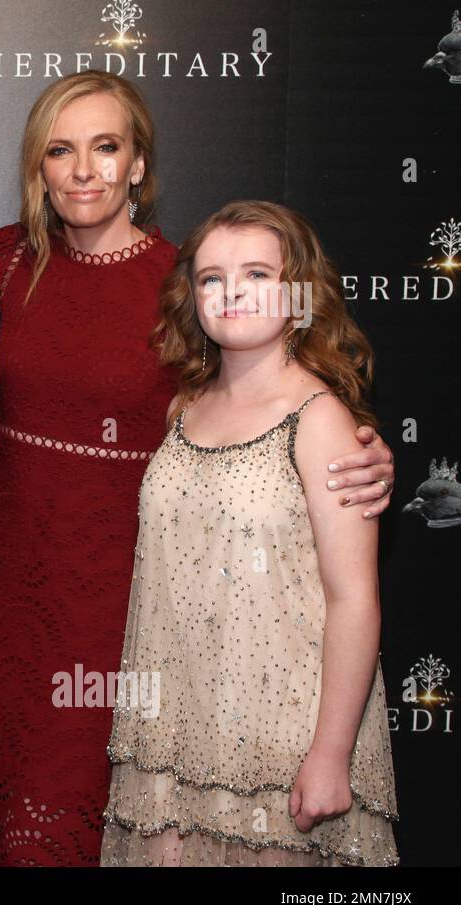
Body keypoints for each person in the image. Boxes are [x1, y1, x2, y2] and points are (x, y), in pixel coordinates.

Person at [0, 71, 397, 865]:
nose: (82, 170)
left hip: (125, 595)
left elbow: (260, 394)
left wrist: (357, 447)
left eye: (105, 148)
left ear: (138, 165)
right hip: (5, 581)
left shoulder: (185, 282)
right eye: (60, 151)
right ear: (38, 169)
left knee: (84, 792)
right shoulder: (9, 262)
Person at [100, 200, 398, 866]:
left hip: (281, 739)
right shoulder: (186, 405)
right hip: (175, 731)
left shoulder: (321, 420)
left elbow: (354, 599)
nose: (231, 291)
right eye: (211, 277)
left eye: (257, 274)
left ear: (300, 293)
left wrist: (330, 754)